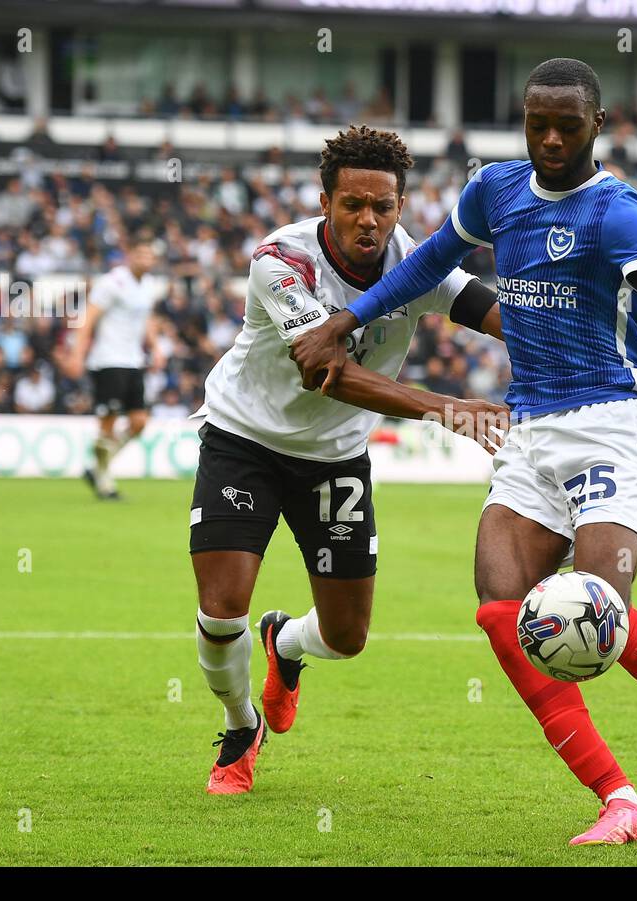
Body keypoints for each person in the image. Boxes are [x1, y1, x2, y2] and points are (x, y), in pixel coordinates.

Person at [293, 59, 637, 845]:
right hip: (529, 431)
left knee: (599, 615)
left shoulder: (617, 211)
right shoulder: (494, 191)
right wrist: (349, 320)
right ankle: (623, 802)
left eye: (568, 125)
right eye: (537, 123)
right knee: (501, 611)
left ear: (599, 125)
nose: (551, 139)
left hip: (605, 424)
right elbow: (427, 265)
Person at [188, 126, 506, 794]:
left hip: (334, 459)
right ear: (325, 199)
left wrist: (581, 349)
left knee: (347, 636)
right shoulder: (281, 261)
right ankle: (241, 725)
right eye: (353, 204)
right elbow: (324, 370)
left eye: (382, 207)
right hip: (244, 441)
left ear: (400, 206)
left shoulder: (414, 263)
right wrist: (452, 409)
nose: (369, 220)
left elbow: (492, 311)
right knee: (221, 610)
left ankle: (286, 645)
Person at [65, 237, 162, 500]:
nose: (145, 259)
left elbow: (147, 319)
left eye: (149, 255)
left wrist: (156, 348)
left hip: (133, 360)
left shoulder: (149, 285)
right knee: (107, 423)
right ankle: (105, 483)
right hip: (108, 359)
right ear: (129, 255)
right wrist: (76, 354)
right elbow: (88, 318)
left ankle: (96, 468)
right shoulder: (112, 283)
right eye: (140, 253)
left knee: (139, 422)